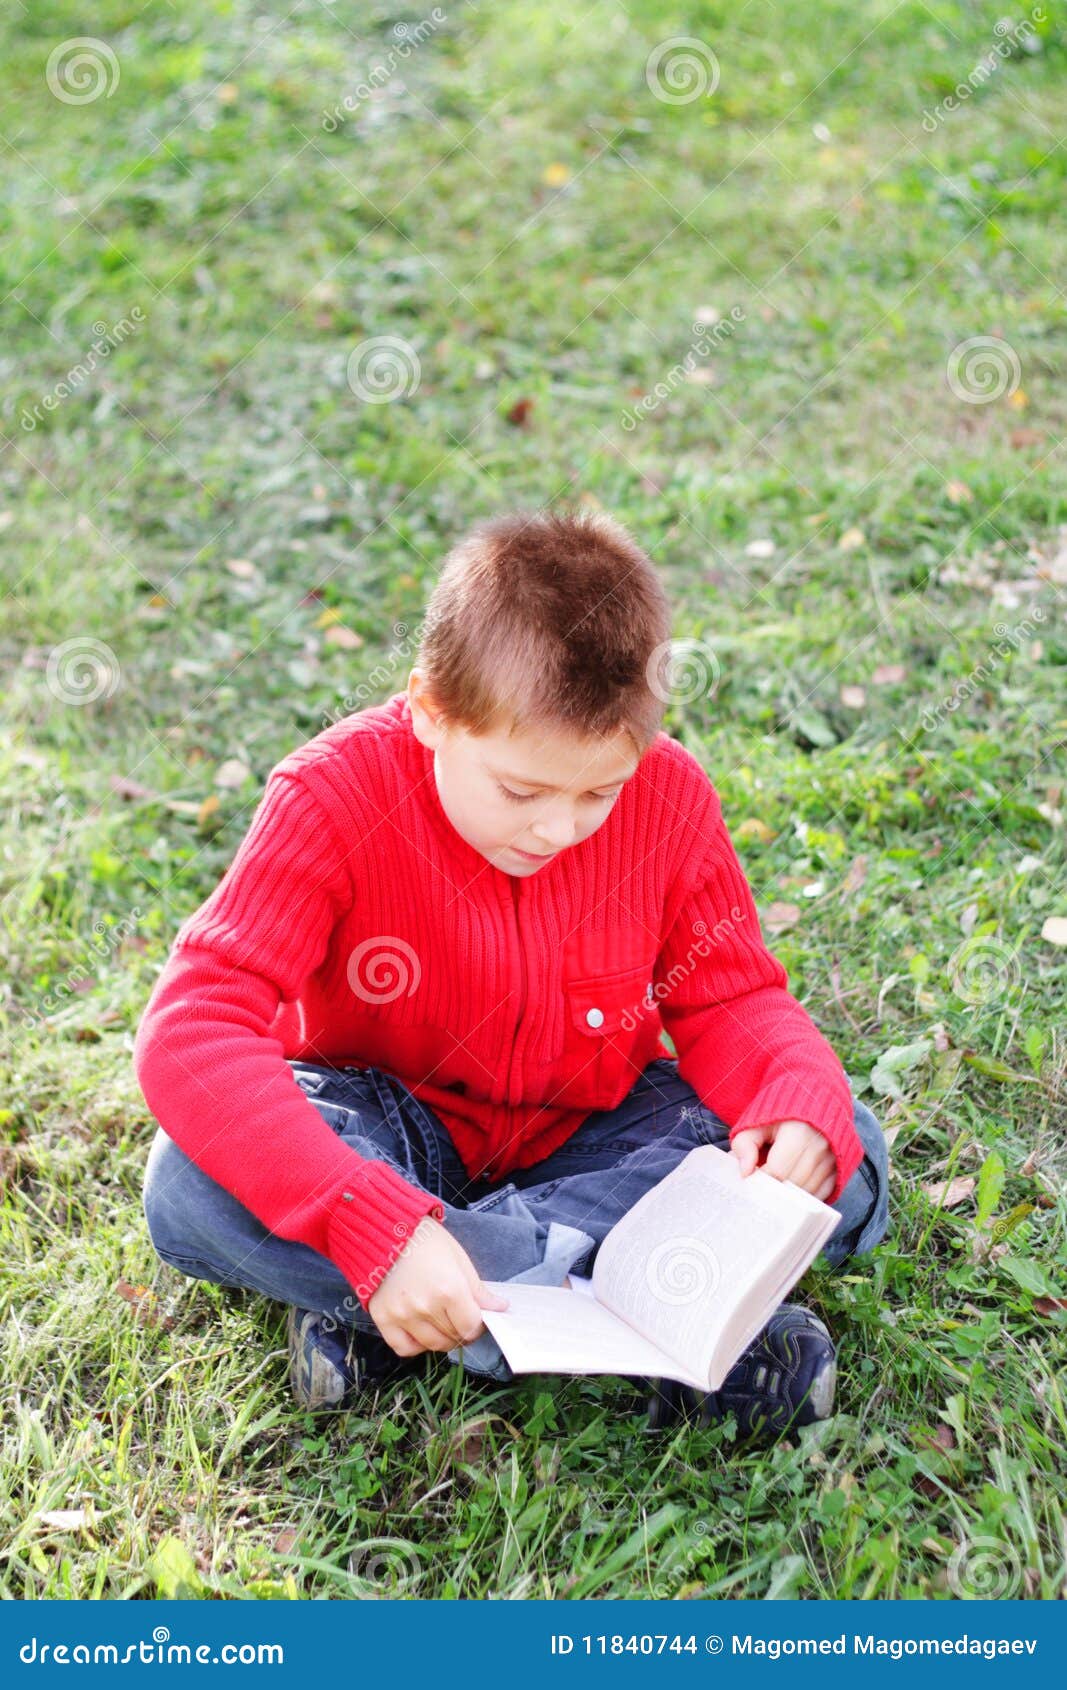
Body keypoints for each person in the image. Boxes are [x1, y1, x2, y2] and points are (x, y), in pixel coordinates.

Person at [136, 506, 890, 1442]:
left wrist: (792, 1101)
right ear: (428, 709)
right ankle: (671, 1323)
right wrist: (366, 1219)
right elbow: (193, 1031)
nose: (559, 828)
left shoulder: (671, 800)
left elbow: (732, 997)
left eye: (597, 793)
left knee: (839, 1138)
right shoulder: (330, 798)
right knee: (186, 1186)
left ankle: (405, 1315)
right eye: (522, 791)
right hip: (389, 1128)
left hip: (589, 1135)